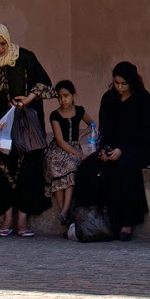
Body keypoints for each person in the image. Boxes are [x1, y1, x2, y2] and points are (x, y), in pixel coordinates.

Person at [0, 23, 54, 237]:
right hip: (2, 126)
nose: (1, 49)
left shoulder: (25, 57)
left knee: (28, 169)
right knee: (5, 170)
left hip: (27, 124)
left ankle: (22, 218)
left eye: (4, 44)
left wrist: (27, 99)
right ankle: (7, 216)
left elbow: (45, 85)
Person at [74, 61, 150, 240]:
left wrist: (123, 150)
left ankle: (126, 222)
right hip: (111, 147)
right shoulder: (109, 98)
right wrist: (104, 149)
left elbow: (144, 131)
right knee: (88, 168)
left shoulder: (143, 98)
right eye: (116, 83)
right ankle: (87, 221)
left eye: (124, 84)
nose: (119, 87)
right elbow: (105, 127)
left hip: (137, 148)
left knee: (124, 168)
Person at [46, 80, 93, 231]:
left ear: (73, 95)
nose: (62, 100)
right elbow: (60, 141)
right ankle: (65, 212)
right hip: (58, 149)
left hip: (73, 147)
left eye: (66, 96)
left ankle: (64, 212)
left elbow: (92, 124)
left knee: (72, 166)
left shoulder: (79, 110)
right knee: (55, 168)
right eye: (59, 97)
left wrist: (81, 136)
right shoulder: (55, 115)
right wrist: (80, 154)